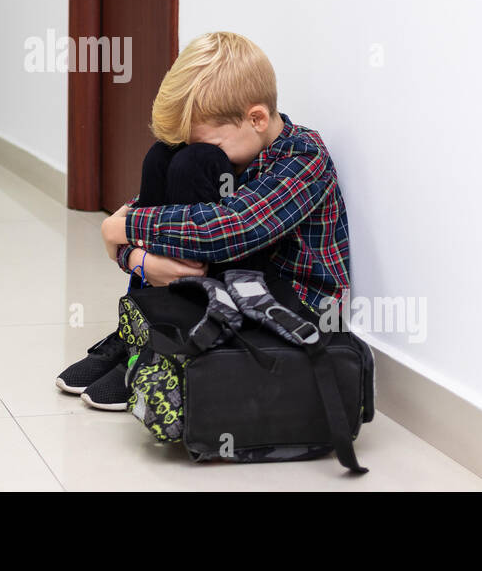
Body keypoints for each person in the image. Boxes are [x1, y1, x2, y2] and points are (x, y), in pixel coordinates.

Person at [55, 31, 352, 410]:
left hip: (293, 309)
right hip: (237, 287)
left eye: (211, 142)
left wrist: (121, 231)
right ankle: (145, 332)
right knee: (165, 157)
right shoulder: (239, 148)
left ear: (257, 118)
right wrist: (137, 257)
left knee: (195, 169)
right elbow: (151, 214)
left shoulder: (304, 159)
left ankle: (159, 343)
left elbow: (226, 231)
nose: (207, 155)